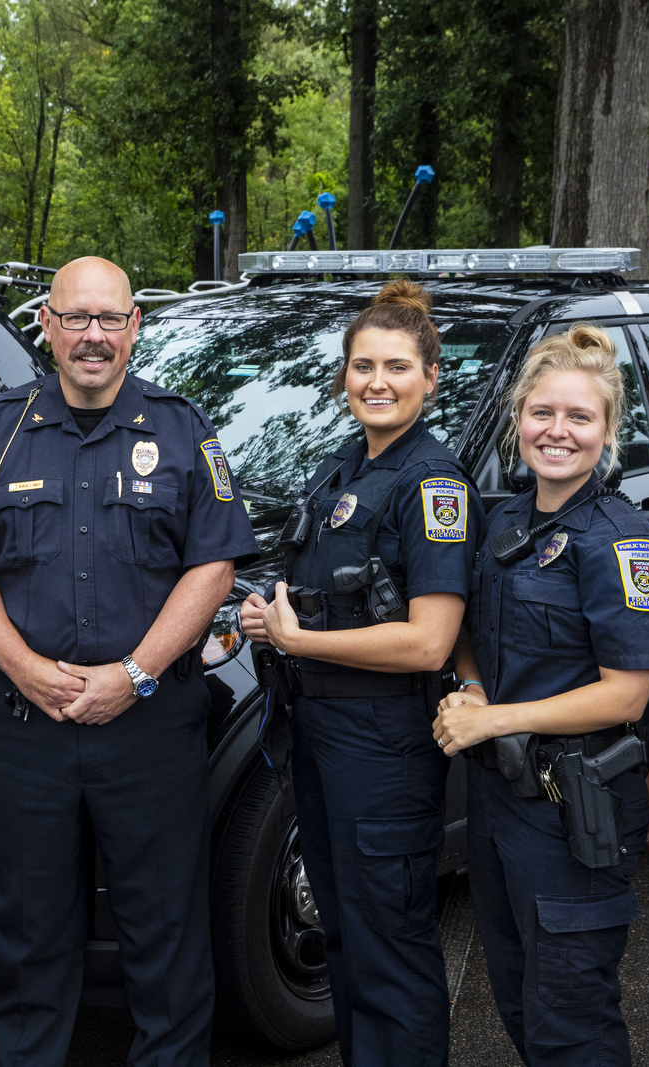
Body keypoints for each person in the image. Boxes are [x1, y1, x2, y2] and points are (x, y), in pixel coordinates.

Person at [0, 256, 259, 1067]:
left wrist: (135, 673)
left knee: (167, 939)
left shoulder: (182, 429)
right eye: (77, 319)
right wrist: (26, 668)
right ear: (47, 323)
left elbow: (212, 565)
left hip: (148, 728)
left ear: (136, 324)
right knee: (30, 934)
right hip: (27, 730)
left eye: (110, 319)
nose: (94, 337)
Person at [239, 280, 480, 1067]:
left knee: (390, 953)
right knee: (344, 939)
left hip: (384, 750)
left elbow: (428, 641)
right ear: (343, 375)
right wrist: (270, 620)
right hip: (322, 738)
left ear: (431, 377)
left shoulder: (433, 484)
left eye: (397, 366)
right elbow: (325, 598)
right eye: (363, 364)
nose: (378, 380)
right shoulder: (343, 464)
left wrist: (300, 642)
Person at [432, 325, 649, 1067]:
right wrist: (472, 687)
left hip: (573, 808)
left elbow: (627, 694)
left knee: (571, 1015)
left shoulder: (624, 544)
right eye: (542, 412)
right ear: (517, 418)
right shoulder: (503, 520)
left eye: (579, 417)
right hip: (501, 798)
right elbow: (467, 624)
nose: (557, 431)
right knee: (516, 995)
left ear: (607, 431)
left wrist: (492, 717)